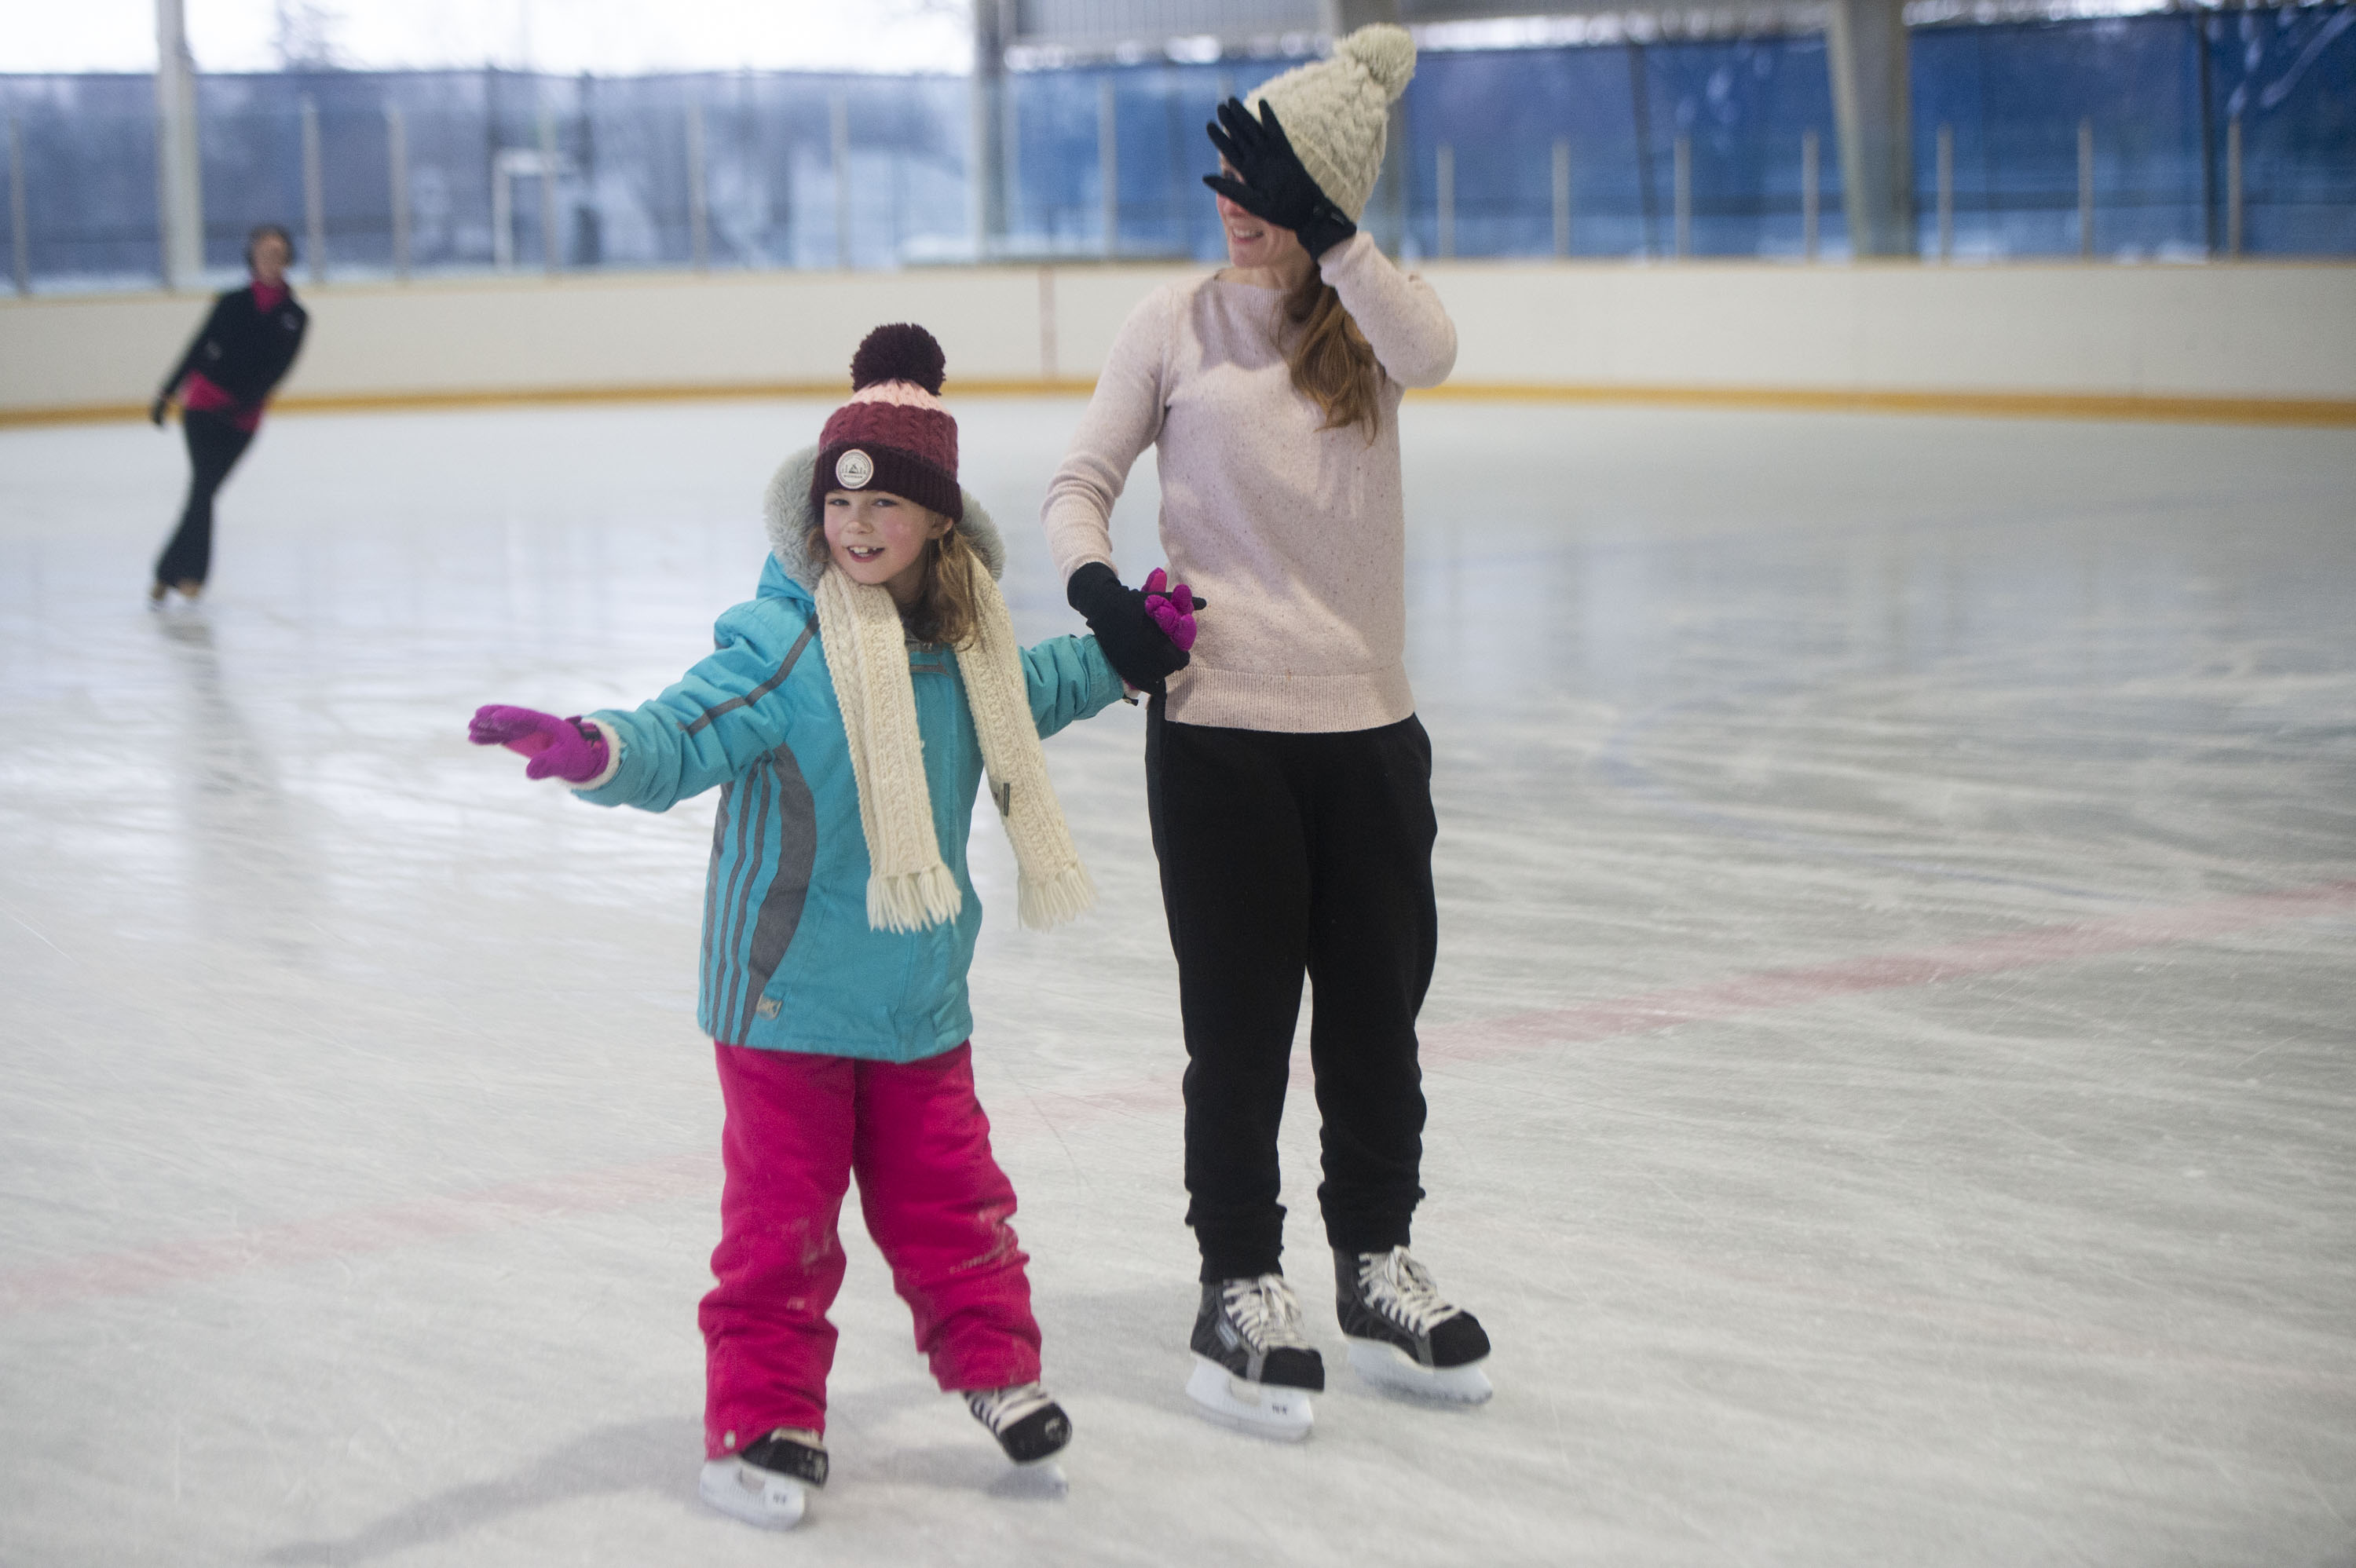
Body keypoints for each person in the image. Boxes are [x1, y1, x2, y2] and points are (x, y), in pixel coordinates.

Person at [467, 325, 1179, 1530]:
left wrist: (1126, 653)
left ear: (936, 522)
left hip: (916, 998)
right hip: (786, 998)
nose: (855, 525)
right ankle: (763, 1419)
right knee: (782, 1230)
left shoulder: (969, 643)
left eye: (886, 503)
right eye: (839, 497)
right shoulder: (783, 639)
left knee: (956, 1201)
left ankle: (998, 1370)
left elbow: (1040, 688)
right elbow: (685, 731)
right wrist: (599, 748)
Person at [1041, 26, 1492, 1440]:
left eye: (1260, 181)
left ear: (1315, 193)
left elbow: (1441, 349)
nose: (1230, 203)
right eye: (1225, 178)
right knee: (1237, 1034)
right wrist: (1101, 591)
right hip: (1222, 733)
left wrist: (1334, 236)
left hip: (1369, 732)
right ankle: (1237, 1278)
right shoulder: (1170, 321)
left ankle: (1374, 1262)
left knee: (1377, 1029)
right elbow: (1077, 482)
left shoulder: (1370, 317)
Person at [147, 223, 310, 603]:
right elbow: (199, 346)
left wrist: (245, 403)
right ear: (252, 257)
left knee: (204, 491)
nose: (270, 259)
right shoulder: (230, 302)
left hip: (243, 417)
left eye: (278, 253)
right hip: (203, 406)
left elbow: (278, 370)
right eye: (263, 252)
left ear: (287, 259)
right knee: (204, 487)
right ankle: (191, 577)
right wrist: (167, 392)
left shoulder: (295, 316)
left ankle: (167, 571)